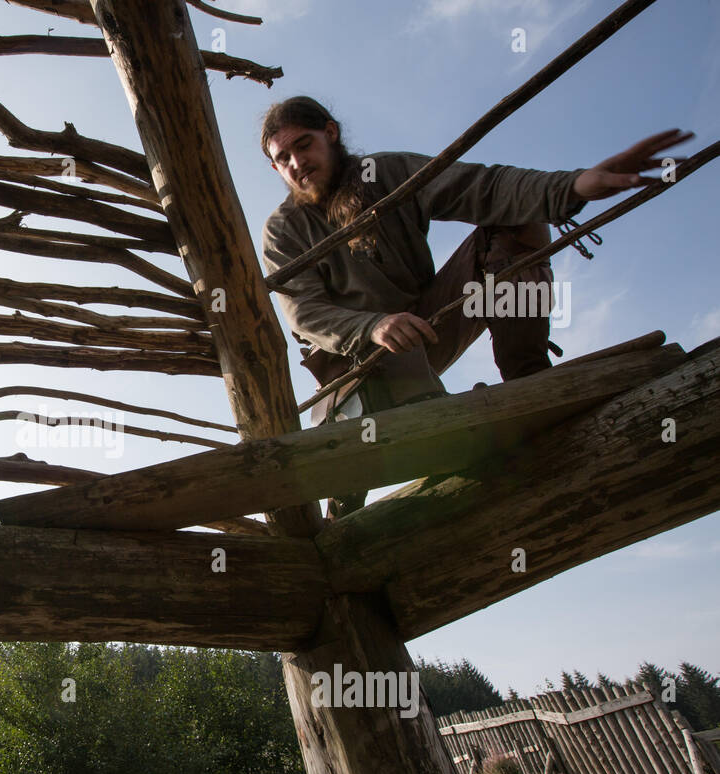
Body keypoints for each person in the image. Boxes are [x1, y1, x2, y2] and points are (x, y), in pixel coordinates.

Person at [259, 96, 692, 515]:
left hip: (426, 328)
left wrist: (575, 185)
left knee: (514, 222)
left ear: (330, 134)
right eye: (283, 158)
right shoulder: (283, 229)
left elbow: (482, 187)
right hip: (358, 364)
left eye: (304, 145)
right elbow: (304, 312)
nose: (296, 164)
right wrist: (373, 326)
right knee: (366, 450)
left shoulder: (383, 173)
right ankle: (351, 485)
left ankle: (529, 380)